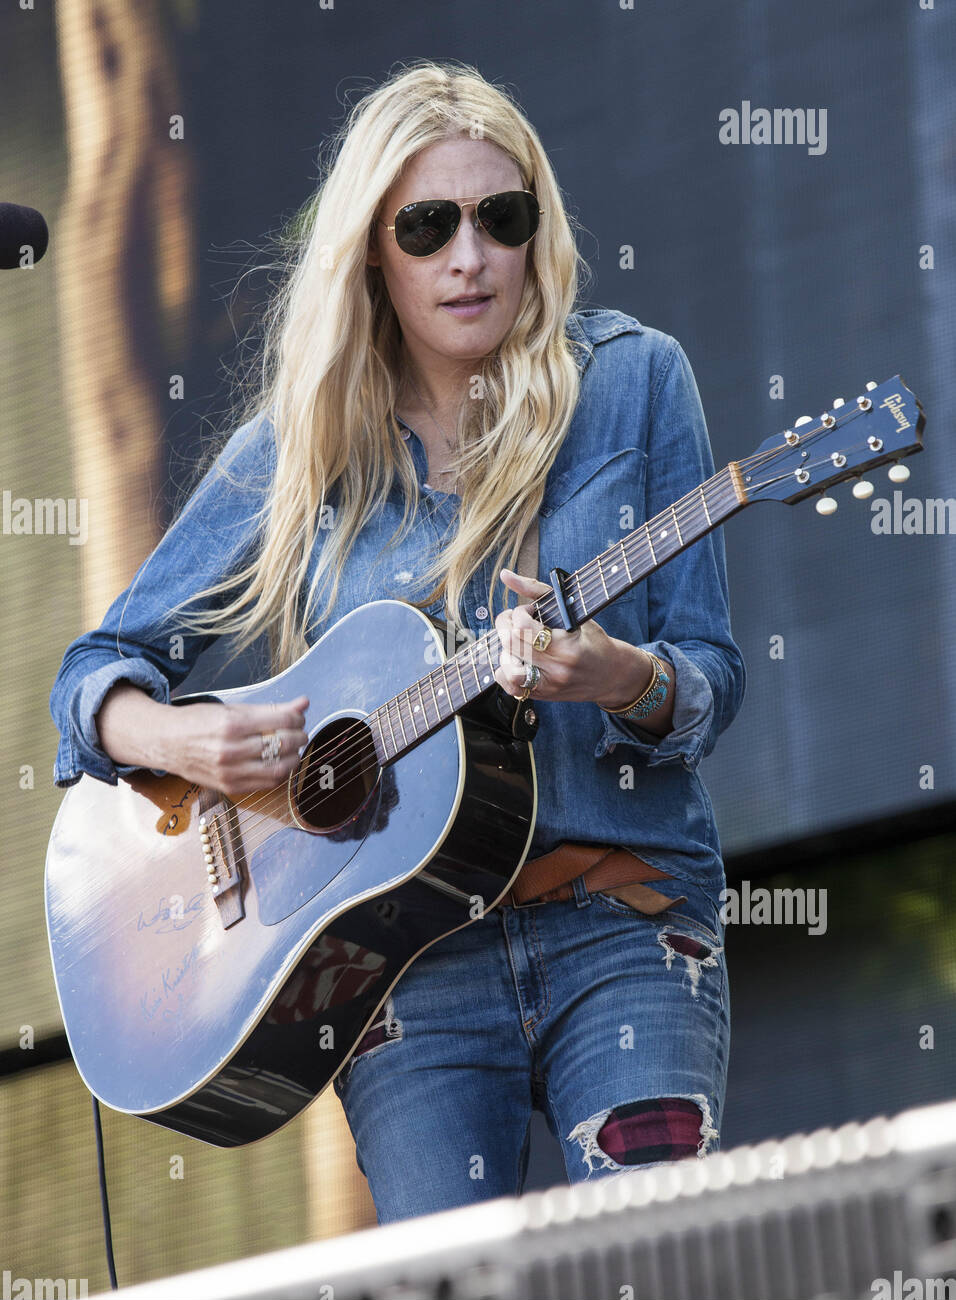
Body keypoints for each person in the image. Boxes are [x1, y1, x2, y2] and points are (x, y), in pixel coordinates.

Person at [49, 59, 745, 1224]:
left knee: (654, 1262)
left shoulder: (632, 382)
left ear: (536, 232)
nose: (468, 255)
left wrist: (618, 676)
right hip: (401, 975)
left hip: (620, 922)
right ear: (373, 249)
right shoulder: (304, 445)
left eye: (499, 218)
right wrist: (187, 742)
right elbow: (91, 679)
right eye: (427, 226)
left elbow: (710, 682)